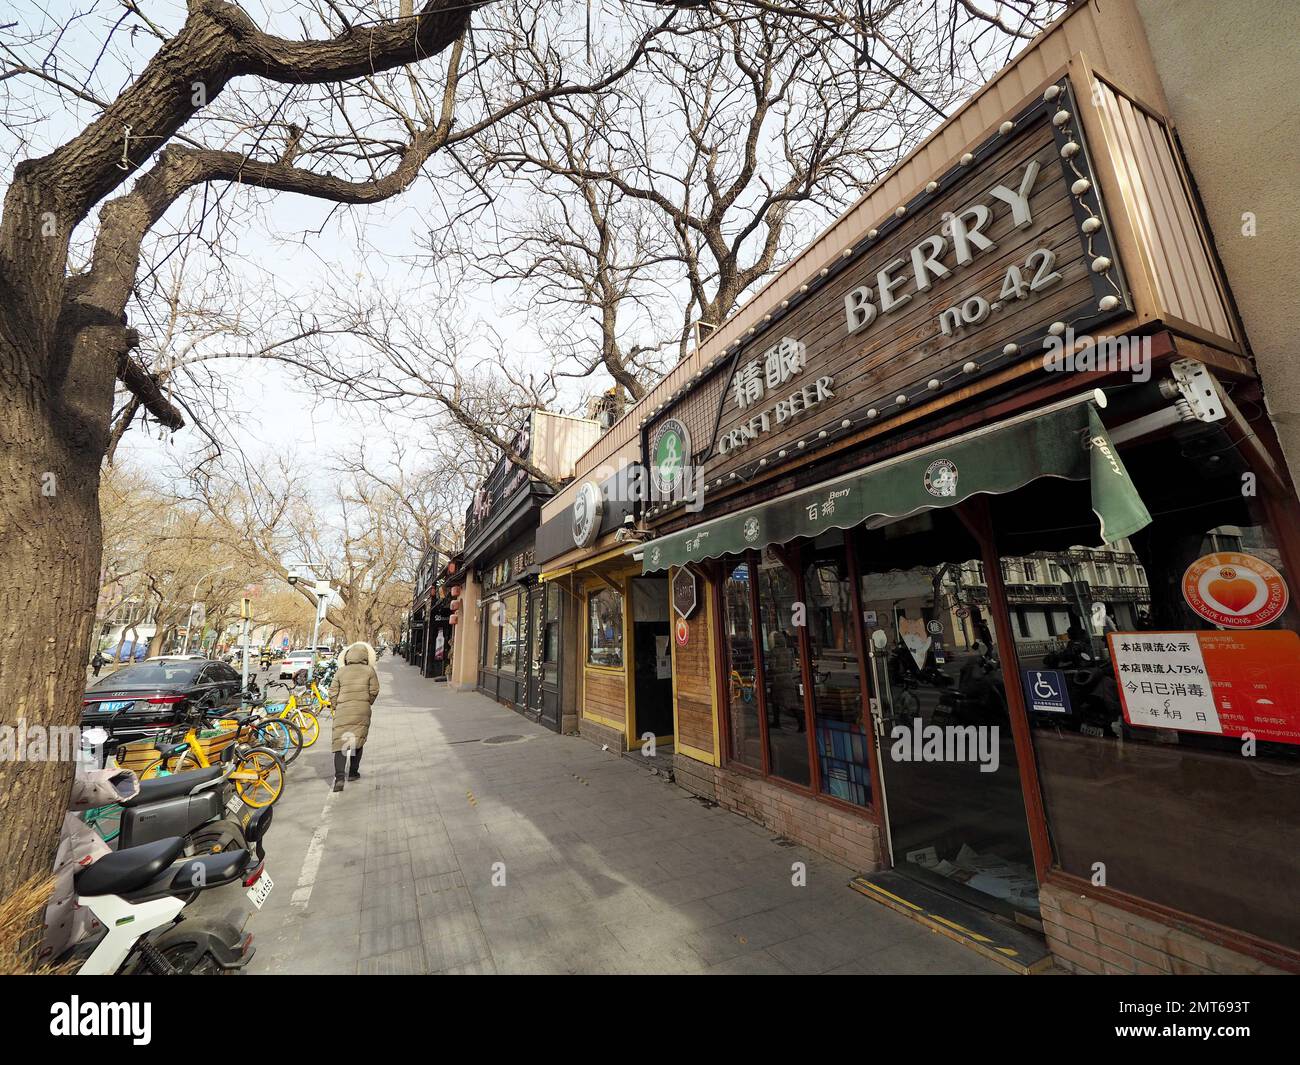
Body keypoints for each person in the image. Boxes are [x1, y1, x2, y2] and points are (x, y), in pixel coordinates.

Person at [328, 642, 379, 792]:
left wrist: (335, 705)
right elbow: (374, 690)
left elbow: (332, 691)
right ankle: (353, 772)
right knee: (357, 740)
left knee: (341, 743)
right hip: (361, 710)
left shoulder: (340, 672)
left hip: (343, 710)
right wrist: (367, 702)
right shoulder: (369, 671)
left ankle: (339, 779)